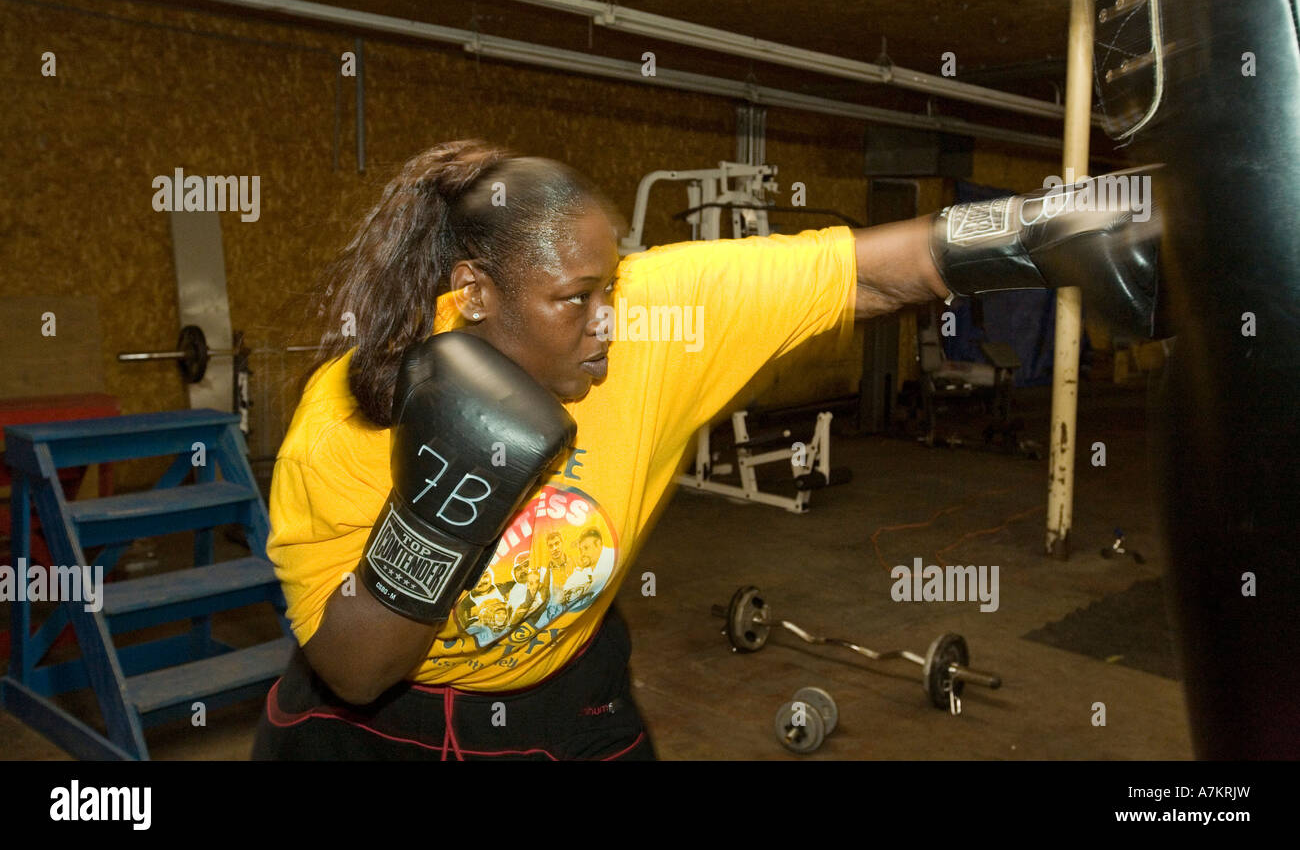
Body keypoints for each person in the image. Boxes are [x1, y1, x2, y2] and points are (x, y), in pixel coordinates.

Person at [251, 139, 1156, 761]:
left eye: (615, 287)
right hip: (374, 732)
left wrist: (1042, 229)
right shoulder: (352, 412)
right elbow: (354, 670)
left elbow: (866, 270)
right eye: (577, 299)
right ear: (475, 291)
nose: (611, 325)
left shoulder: (650, 318)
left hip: (568, 697)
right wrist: (443, 501)